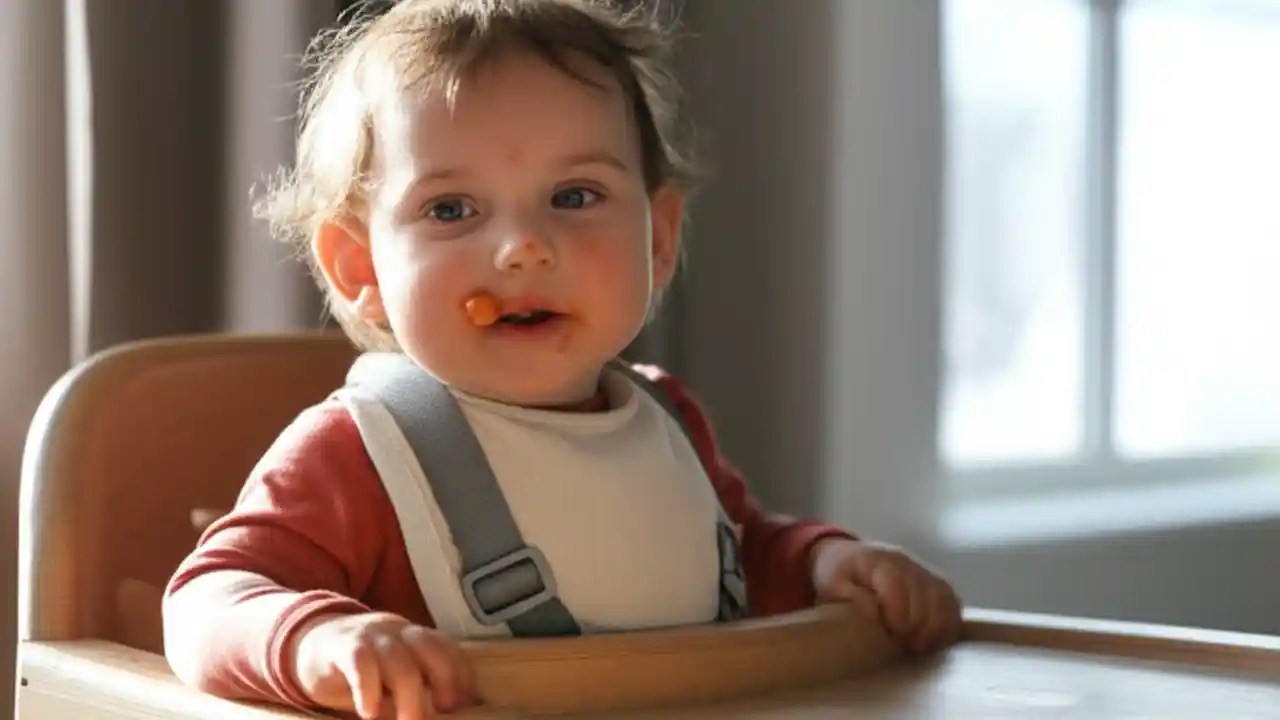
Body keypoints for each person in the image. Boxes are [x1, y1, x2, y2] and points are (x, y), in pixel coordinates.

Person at [162, 1, 963, 718]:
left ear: (657, 238)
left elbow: (737, 558)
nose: (523, 249)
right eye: (451, 209)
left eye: (575, 196)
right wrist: (318, 644)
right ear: (359, 267)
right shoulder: (360, 454)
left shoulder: (671, 424)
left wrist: (831, 562)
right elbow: (205, 601)